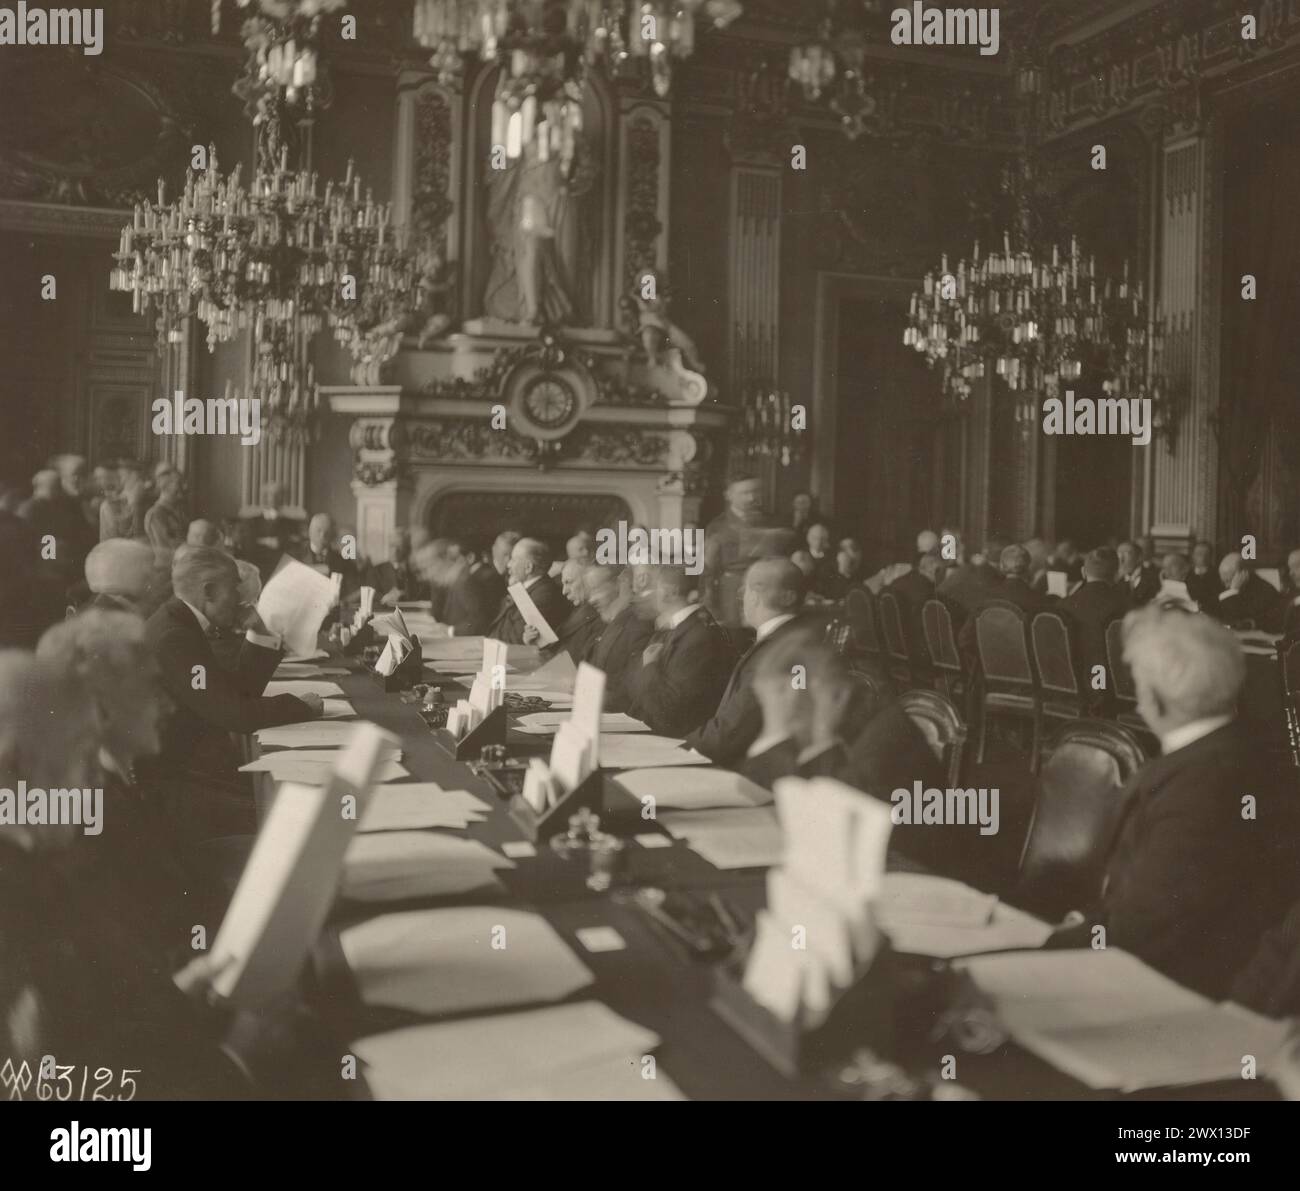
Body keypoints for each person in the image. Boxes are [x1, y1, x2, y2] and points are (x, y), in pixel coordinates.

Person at [1050, 605, 1298, 998]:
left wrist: (1047, 946)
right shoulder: (1240, 755)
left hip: (1167, 990)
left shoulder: (1203, 786)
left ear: (1154, 697)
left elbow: (1144, 928)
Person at [143, 546, 321, 822]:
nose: (242, 599)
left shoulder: (179, 622)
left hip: (193, 769)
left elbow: (236, 693)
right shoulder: (174, 637)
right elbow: (235, 714)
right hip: (178, 783)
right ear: (210, 591)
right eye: (235, 589)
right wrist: (301, 707)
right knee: (291, 816)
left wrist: (261, 631)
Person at [685, 558, 808, 765]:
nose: (744, 597)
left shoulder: (775, 651)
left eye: (752, 588)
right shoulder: (795, 639)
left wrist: (680, 749)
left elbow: (732, 731)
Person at [627, 565, 733, 738]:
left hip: (671, 743)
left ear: (669, 592)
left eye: (652, 588)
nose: (647, 595)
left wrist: (649, 667)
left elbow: (668, 710)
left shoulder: (700, 638)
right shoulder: (676, 629)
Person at [701, 476, 795, 631]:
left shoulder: (770, 521)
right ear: (729, 495)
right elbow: (708, 569)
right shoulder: (717, 526)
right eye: (744, 493)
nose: (751, 498)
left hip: (767, 590)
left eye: (755, 492)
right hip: (732, 592)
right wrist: (710, 605)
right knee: (736, 636)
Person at [578, 565, 653, 713]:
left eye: (596, 589)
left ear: (622, 583)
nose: (591, 600)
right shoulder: (609, 621)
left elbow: (637, 689)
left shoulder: (639, 624)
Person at [1062, 547, 1130, 701]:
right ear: (1117, 574)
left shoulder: (1062, 606)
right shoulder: (1129, 608)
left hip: (1069, 686)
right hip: (1112, 691)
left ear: (1083, 572)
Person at [486, 537, 568, 644]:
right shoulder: (529, 589)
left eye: (513, 560)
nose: (508, 565)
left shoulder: (543, 596)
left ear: (528, 567)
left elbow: (515, 639)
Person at [531, 558, 602, 663]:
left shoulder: (600, 616)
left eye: (568, 582)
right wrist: (534, 641)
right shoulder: (576, 609)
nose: (564, 591)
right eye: (563, 584)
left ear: (590, 580)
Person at [438, 539, 504, 637]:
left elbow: (480, 619)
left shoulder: (478, 579)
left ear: (470, 557)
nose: (449, 565)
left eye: (454, 559)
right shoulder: (468, 576)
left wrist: (450, 630)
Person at [84, 538, 160, 616]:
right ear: (117, 571)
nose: (148, 571)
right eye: (139, 564)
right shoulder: (112, 613)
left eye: (150, 564)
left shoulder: (120, 604)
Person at [1214, 550, 1285, 629]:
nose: (1226, 586)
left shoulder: (1265, 590)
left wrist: (1233, 591)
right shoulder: (1228, 587)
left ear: (1243, 573)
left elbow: (1235, 620)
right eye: (1223, 582)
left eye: (1228, 581)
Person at [144, 464, 187, 555]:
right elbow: (164, 548)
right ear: (164, 486)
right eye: (178, 483)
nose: (184, 487)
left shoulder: (179, 511)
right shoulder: (156, 514)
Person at [1118, 539, 1160, 605]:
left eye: (1126, 553)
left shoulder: (1154, 577)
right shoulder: (1116, 580)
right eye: (1118, 554)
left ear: (1139, 557)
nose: (1121, 559)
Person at [1186, 539, 1222, 608]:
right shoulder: (1186, 575)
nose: (1203, 558)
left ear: (1211, 557)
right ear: (1193, 556)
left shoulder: (1218, 575)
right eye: (1199, 554)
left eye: (1206, 554)